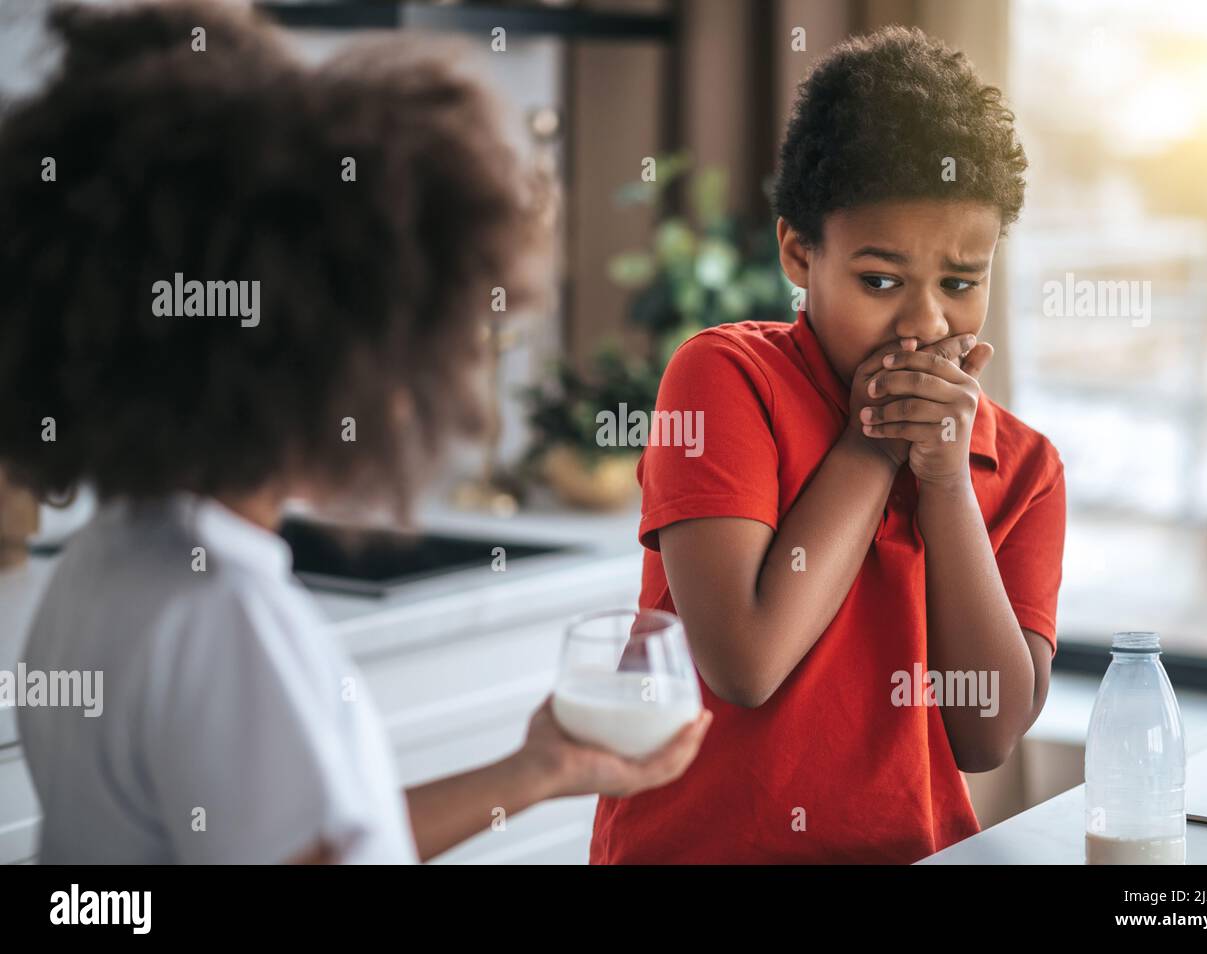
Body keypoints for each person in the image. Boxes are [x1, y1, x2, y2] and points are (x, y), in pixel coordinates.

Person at [0, 0, 710, 865]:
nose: (404, 403)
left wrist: (538, 770)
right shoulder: (228, 621)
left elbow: (307, 839)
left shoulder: (112, 563)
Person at [591, 27, 1065, 864]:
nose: (924, 323)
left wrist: (948, 485)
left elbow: (987, 733)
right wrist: (874, 448)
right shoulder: (721, 380)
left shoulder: (1023, 466)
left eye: (961, 282)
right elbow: (747, 662)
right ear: (799, 253)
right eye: (880, 281)